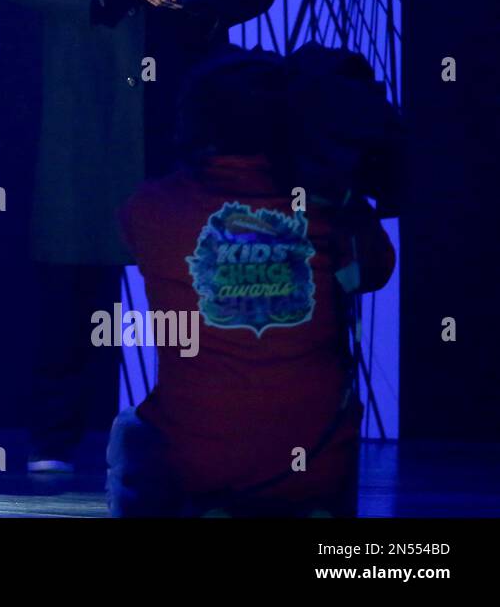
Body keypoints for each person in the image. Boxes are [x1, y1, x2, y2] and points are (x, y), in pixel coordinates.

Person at [0, 0, 283, 471]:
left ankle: (200, 431)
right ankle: (55, 441)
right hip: (85, 103)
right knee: (69, 278)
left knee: (189, 281)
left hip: (185, 106)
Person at [108, 46, 398, 516]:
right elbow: (376, 271)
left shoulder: (151, 208)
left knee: (130, 431)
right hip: (314, 468)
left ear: (191, 124)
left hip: (196, 465)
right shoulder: (329, 207)